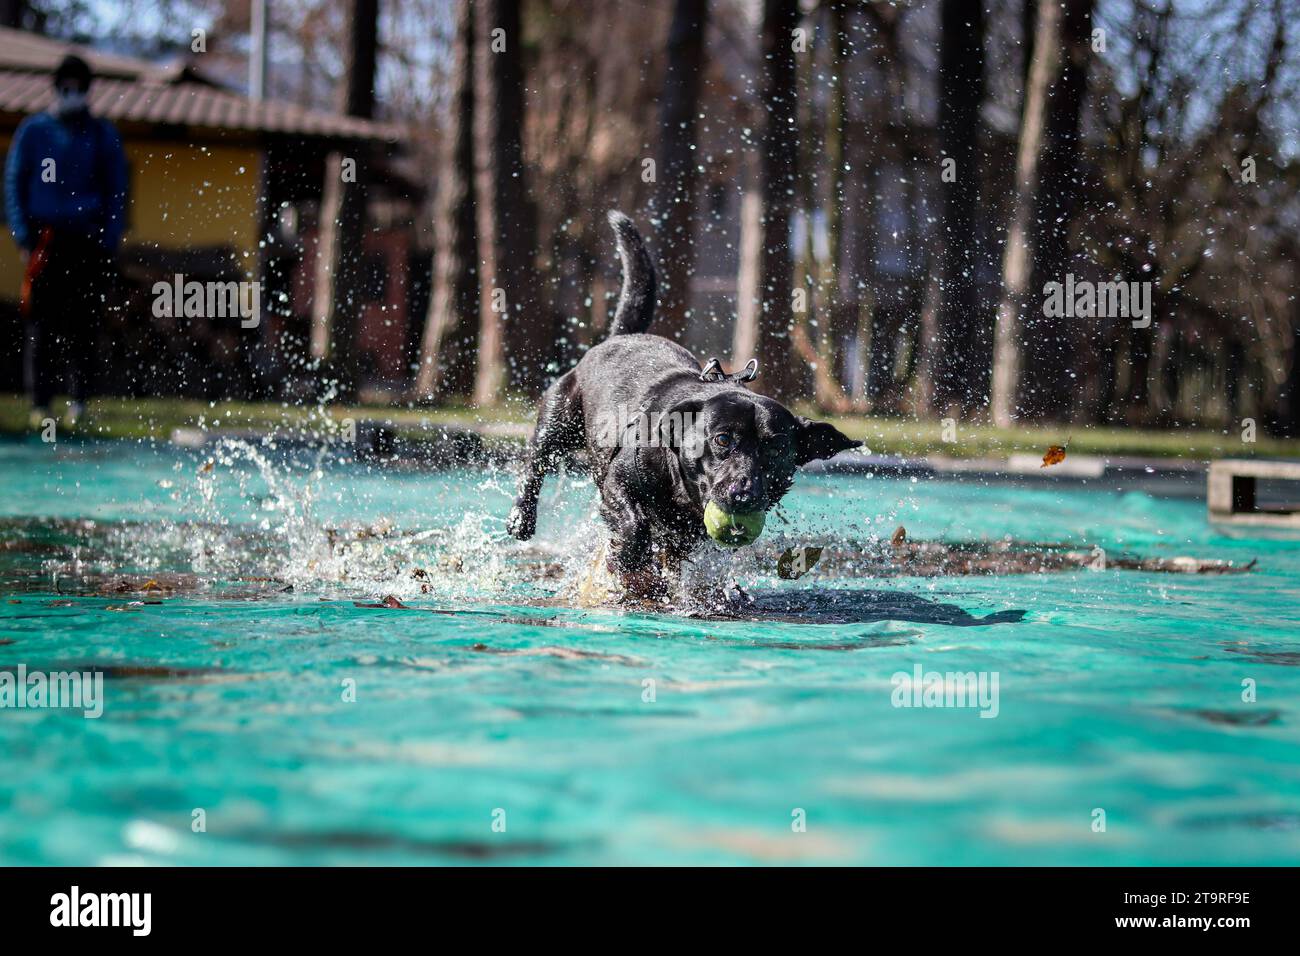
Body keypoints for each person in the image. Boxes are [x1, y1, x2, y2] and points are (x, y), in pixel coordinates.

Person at [4, 53, 128, 428]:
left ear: (89, 90)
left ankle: (79, 404)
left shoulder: (102, 134)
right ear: (56, 87)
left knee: (83, 327)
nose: (73, 92)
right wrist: (23, 235)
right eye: (66, 86)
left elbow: (117, 190)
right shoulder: (34, 131)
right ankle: (41, 406)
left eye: (80, 86)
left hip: (87, 242)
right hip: (46, 242)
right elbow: (14, 182)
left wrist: (108, 241)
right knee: (41, 327)